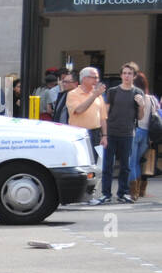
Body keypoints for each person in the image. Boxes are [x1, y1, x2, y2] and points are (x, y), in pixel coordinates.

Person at [99, 62, 145, 204]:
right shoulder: (112, 91)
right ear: (120, 75)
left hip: (128, 133)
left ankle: (123, 193)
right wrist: (104, 134)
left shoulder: (138, 93)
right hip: (112, 132)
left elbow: (140, 117)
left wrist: (142, 105)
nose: (126, 76)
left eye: (129, 73)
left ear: (134, 76)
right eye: (124, 73)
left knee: (126, 165)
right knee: (108, 165)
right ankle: (106, 193)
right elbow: (105, 114)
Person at [66, 67, 107, 153]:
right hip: (78, 133)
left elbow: (103, 118)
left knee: (94, 162)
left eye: (98, 78)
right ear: (84, 78)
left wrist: (104, 136)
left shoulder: (98, 95)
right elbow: (79, 110)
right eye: (94, 77)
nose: (97, 80)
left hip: (95, 133)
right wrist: (94, 96)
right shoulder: (73, 94)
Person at [130, 71, 156, 199]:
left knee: (133, 162)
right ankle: (140, 190)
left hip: (135, 131)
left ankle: (133, 192)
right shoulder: (152, 99)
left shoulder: (135, 97)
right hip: (147, 134)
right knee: (138, 162)